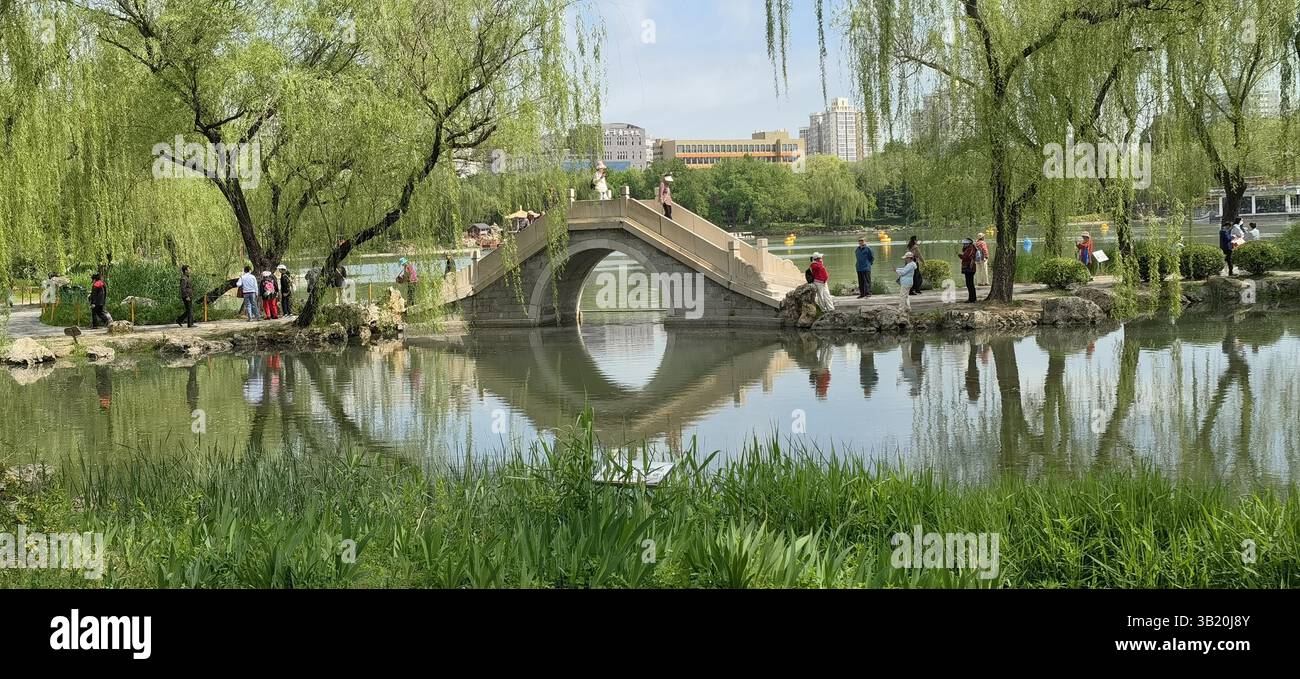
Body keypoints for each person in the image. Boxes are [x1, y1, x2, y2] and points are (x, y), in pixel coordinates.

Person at [959, 238, 978, 303]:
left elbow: (967, 257)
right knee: (969, 284)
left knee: (970, 284)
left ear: (968, 243)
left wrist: (961, 256)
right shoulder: (969, 248)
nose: (964, 245)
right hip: (968, 268)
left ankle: (972, 299)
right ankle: (972, 298)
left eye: (965, 244)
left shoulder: (971, 249)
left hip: (970, 268)